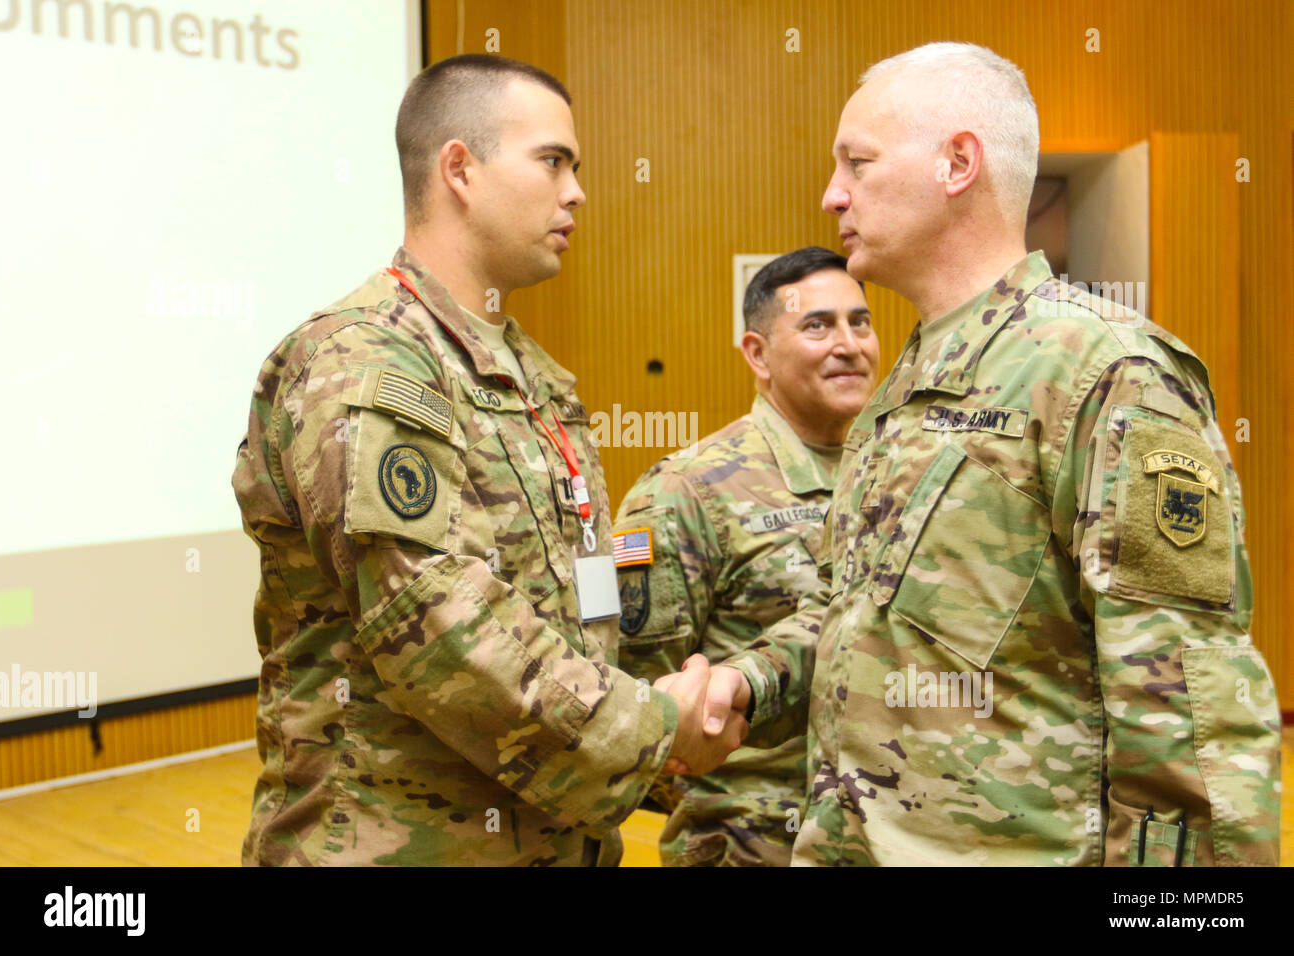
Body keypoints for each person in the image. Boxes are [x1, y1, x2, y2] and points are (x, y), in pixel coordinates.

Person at [685, 41, 1281, 866]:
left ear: (957, 162)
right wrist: (746, 683)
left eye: (857, 162)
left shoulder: (1105, 372)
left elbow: (1188, 711)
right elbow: (855, 617)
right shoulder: (903, 387)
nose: (832, 195)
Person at [231, 54, 745, 867]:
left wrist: (671, 714)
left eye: (576, 166)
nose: (577, 192)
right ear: (460, 169)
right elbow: (439, 628)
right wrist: (651, 728)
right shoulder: (368, 361)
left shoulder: (537, 380)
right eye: (553, 161)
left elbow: (591, 599)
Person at [613, 247, 878, 866]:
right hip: (752, 848)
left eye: (859, 321)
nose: (848, 343)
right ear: (757, 354)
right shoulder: (687, 490)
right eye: (817, 325)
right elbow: (637, 695)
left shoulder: (895, 471)